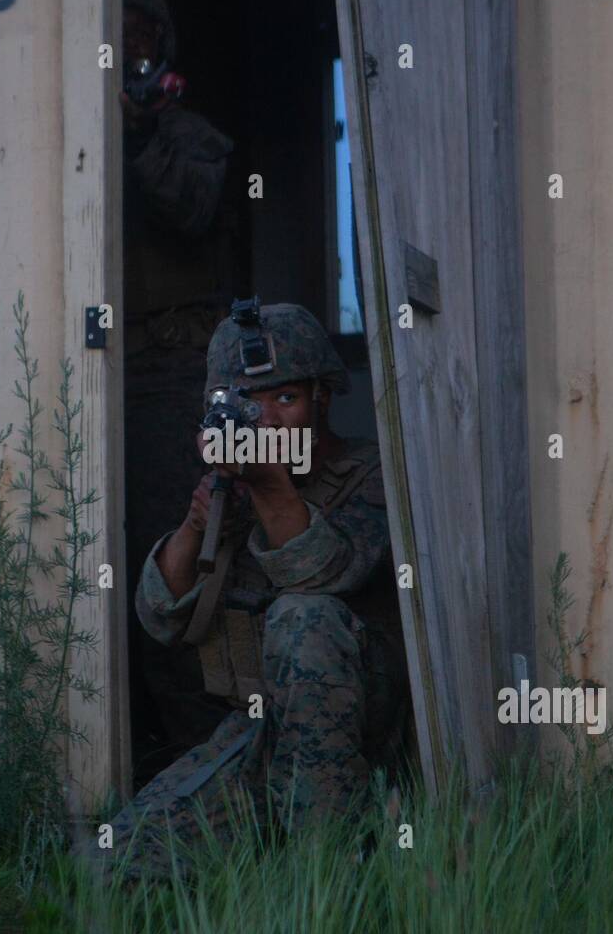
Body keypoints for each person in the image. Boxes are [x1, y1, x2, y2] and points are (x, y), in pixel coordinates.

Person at [108, 302, 409, 879]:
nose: (266, 421)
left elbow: (325, 577)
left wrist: (271, 487)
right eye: (248, 404)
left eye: (286, 399)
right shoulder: (232, 487)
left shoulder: (372, 477)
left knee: (305, 615)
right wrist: (202, 521)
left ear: (322, 398)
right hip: (256, 734)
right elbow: (162, 617)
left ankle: (329, 873)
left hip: (364, 737)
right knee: (120, 861)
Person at [121, 0, 242, 772]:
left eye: (141, 33)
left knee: (172, 564)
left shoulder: (188, 136)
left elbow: (189, 208)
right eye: (116, 32)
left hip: (169, 368)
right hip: (95, 366)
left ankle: (195, 759)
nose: (129, 46)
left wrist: (137, 133)